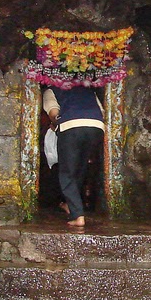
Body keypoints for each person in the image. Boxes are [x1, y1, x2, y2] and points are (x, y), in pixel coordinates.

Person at [42, 85, 104, 228]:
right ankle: (71, 204)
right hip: (96, 127)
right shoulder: (87, 88)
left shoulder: (51, 90)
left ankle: (78, 216)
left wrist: (55, 125)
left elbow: (54, 113)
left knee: (67, 173)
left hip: (71, 126)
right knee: (80, 167)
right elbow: (101, 110)